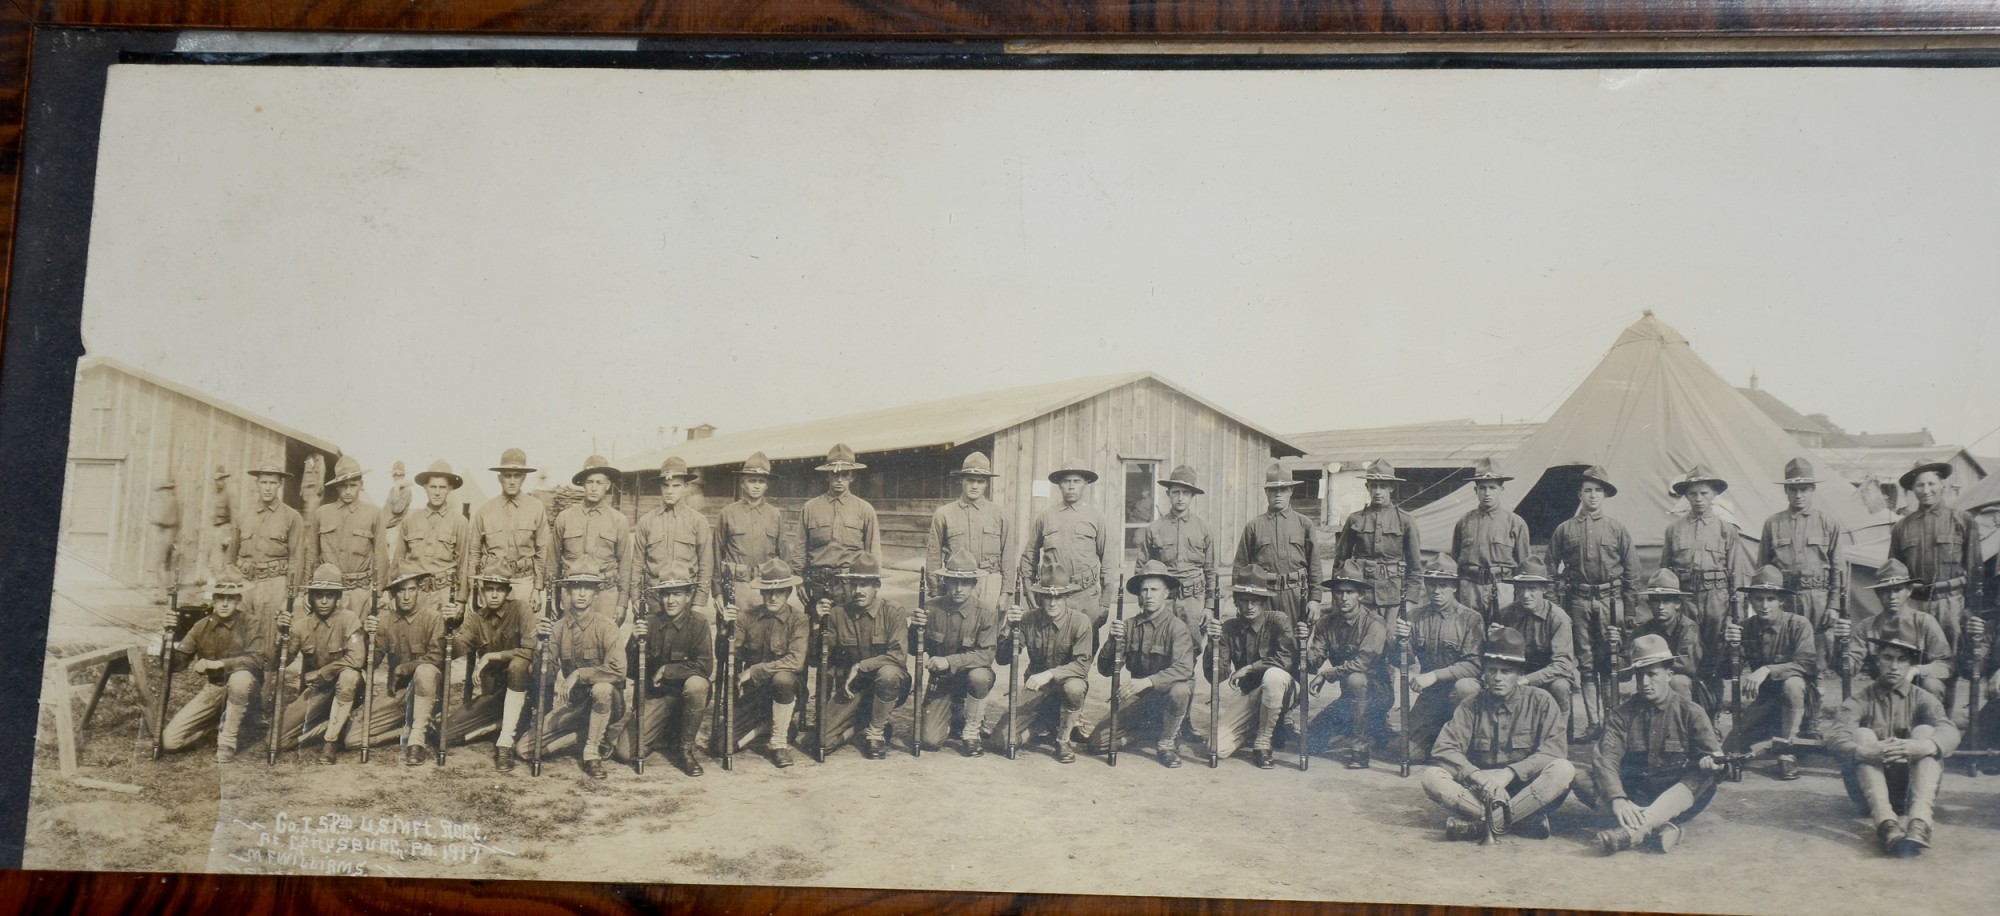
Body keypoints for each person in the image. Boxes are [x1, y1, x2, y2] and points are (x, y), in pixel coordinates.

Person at [1572, 634, 1725, 855]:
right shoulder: (1621, 714)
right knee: (1580, 777)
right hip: (1634, 796)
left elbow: (1715, 759)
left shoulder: (1691, 712)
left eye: (1652, 675)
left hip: (1675, 795)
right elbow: (1607, 759)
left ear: (1668, 675)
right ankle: (1659, 826)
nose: (1644, 683)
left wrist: (1714, 763)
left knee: (1704, 776)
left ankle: (1633, 830)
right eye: (1639, 675)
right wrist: (1618, 799)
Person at [1419, 626, 1574, 841]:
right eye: (1492, 670)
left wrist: (1509, 773)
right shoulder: (1471, 705)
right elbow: (1445, 748)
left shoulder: (1541, 701)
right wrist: (1479, 777)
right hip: (1480, 792)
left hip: (1526, 790)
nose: (1498, 678)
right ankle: (1518, 821)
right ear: (1484, 673)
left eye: (1506, 671)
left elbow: (1553, 750)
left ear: (1520, 674)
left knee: (1563, 769)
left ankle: (1480, 826)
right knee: (1431, 777)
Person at [1826, 618, 1961, 856]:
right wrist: (1863, 751)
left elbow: (1949, 730)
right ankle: (1886, 824)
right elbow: (1836, 734)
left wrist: (1923, 746)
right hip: (1868, 794)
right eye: (1888, 658)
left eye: (1902, 659)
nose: (1894, 666)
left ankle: (1920, 822)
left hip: (1913, 789)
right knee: (1862, 734)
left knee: (1927, 733)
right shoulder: (1862, 698)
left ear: (1910, 665)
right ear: (1877, 662)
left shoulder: (1921, 697)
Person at [1547, 465, 1640, 733]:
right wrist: (1555, 604)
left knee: (1610, 659)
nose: (1592, 496)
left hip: (1612, 601)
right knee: (1586, 664)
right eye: (1587, 490)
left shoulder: (1617, 529)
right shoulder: (1565, 530)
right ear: (1579, 494)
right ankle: (1594, 722)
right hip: (1579, 600)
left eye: (1598, 491)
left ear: (1605, 495)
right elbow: (1550, 565)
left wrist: (1630, 608)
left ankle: (1612, 720)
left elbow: (1633, 571)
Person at [518, 558, 627, 779]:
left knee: (602, 689)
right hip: (575, 703)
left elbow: (618, 671)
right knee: (525, 750)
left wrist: (579, 674)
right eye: (576, 587)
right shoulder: (558, 628)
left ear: (596, 594)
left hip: (608, 701)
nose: (582, 593)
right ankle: (588, 734)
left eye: (588, 588)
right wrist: (541, 645)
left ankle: (591, 753)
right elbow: (544, 676)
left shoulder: (607, 627)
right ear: (567, 592)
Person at [1662, 465, 1750, 719]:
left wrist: (1736, 615)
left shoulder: (1727, 530)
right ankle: (1688, 719)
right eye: (1693, 494)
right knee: (1687, 661)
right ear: (1686, 497)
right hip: (1686, 601)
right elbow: (1665, 575)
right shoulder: (1674, 530)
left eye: (1704, 493)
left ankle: (1710, 720)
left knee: (1714, 662)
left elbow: (1737, 575)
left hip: (1717, 602)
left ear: (1714, 496)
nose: (1698, 499)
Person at [156, 568, 268, 762]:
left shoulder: (251, 623)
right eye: (220, 597)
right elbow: (176, 664)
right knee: (169, 742)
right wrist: (167, 636)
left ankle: (227, 742)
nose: (225, 603)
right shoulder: (201, 626)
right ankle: (216, 721)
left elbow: (257, 661)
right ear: (213, 599)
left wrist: (217, 664)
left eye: (230, 598)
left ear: (238, 600)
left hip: (248, 692)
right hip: (214, 690)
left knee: (239, 678)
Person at [1095, 560, 1197, 768]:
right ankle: (1146, 734)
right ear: (1139, 595)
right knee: (1097, 743)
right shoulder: (1129, 626)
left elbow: (1184, 669)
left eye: (1154, 590)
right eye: (1144, 590)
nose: (1149, 595)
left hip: (1167, 696)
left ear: (1166, 593)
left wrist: (1148, 681)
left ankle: (1166, 744)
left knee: (1181, 690)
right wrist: (1112, 639)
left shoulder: (1177, 627)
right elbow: (1104, 670)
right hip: (1141, 698)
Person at [1758, 457, 1848, 692]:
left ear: (1812, 489)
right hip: (1784, 600)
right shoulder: (1773, 524)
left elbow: (1838, 568)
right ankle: (1786, 710)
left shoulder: (1828, 522)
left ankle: (1813, 723)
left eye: (1804, 489)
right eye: (1794, 489)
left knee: (1815, 661)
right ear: (1786, 490)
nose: (1799, 495)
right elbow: (1763, 569)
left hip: (1816, 599)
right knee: (1783, 657)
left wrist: (1833, 605)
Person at [1722, 565, 1819, 780]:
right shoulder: (1745, 627)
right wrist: (1729, 645)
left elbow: (1807, 664)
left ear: (1781, 600)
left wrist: (1766, 669)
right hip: (1766, 701)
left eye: (1770, 599)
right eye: (1758, 599)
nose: (1764, 605)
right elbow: (1726, 671)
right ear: (1751, 601)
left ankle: (1786, 752)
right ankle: (1771, 735)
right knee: (1729, 749)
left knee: (1792, 684)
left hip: (1800, 700)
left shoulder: (1798, 625)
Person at [995, 558, 1097, 763]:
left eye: (1058, 597)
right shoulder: (1028, 619)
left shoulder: (1080, 621)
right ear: (1040, 597)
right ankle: (1040, 726)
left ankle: (1062, 740)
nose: (1052, 602)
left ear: (1067, 595)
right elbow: (1003, 658)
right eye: (1047, 597)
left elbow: (1081, 666)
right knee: (1001, 741)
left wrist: (1050, 674)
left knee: (1075, 688)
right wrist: (1008, 627)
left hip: (1065, 685)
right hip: (1037, 689)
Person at [612, 574, 714, 776]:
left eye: (677, 594)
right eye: (666, 594)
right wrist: (634, 641)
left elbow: (704, 667)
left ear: (688, 596)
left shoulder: (699, 623)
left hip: (686, 696)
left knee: (697, 685)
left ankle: (685, 749)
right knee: (624, 752)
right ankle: (667, 732)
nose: (671, 600)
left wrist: (667, 671)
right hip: (657, 698)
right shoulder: (649, 622)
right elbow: (630, 670)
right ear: (659, 598)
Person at [1887, 460, 1983, 671]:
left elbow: (1976, 569)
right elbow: (1894, 572)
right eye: (1920, 485)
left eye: (1931, 484)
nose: (1926, 490)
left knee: (1949, 664)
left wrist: (1971, 609)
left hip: (1950, 604)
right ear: (1913, 489)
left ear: (1942, 485)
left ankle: (1945, 706)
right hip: (1914, 604)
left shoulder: (1962, 520)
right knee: (1912, 661)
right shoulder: (1902, 527)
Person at [818, 552, 913, 759]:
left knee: (888, 674)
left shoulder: (893, 612)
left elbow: (898, 656)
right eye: (853, 585)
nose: (858, 590)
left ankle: (876, 733)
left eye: (865, 584)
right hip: (853, 688)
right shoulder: (837, 614)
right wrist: (819, 625)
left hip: (888, 685)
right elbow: (819, 657)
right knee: (820, 742)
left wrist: (860, 666)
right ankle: (862, 724)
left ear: (877, 586)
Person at [1393, 555, 1486, 762]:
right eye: (1432, 584)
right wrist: (1401, 639)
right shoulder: (1416, 617)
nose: (1436, 591)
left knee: (1465, 688)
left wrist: (1434, 675)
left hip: (1462, 692)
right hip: (1432, 696)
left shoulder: (1470, 618)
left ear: (1454, 587)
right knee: (1405, 752)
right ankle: (1439, 742)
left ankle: (1463, 744)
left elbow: (1474, 665)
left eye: (1443, 585)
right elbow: (1404, 660)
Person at [1202, 566, 1296, 768]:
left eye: (1255, 600)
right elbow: (1216, 676)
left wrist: (1248, 668)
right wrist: (1213, 642)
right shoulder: (1229, 628)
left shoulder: (1279, 620)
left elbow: (1285, 660)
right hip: (1252, 697)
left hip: (1284, 690)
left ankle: (1263, 742)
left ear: (1264, 601)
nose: (1250, 606)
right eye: (1244, 600)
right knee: (1216, 747)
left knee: (1273, 676)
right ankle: (1255, 727)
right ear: (1236, 601)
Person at [1301, 559, 1390, 769]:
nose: (1343, 597)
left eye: (1350, 592)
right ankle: (1362, 730)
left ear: (1361, 595)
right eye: (1339, 592)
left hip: (1377, 695)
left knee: (1356, 679)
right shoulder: (1326, 623)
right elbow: (1314, 661)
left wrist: (1327, 675)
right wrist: (1303, 642)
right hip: (1349, 698)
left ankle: (1360, 749)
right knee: (1309, 742)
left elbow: (1362, 663)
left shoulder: (1374, 623)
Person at [272, 563, 364, 763]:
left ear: (338, 598)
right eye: (319, 595)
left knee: (349, 675)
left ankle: (330, 742)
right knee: (276, 740)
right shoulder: (300, 626)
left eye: (329, 596)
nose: (323, 601)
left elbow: (356, 659)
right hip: (317, 690)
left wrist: (322, 672)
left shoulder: (349, 619)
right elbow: (280, 662)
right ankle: (332, 726)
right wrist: (281, 634)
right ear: (311, 597)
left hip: (347, 689)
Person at [450, 564, 538, 771]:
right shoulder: (476, 618)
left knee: (518, 665)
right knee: (445, 734)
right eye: (489, 589)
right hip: (494, 695)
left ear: (508, 592)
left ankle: (505, 742)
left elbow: (530, 650)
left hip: (520, 689)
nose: (494, 595)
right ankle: (506, 724)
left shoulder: (521, 609)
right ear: (482, 592)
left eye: (499, 590)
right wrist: (449, 627)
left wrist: (493, 655)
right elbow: (457, 649)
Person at [725, 558, 811, 768]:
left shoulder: (798, 620)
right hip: (756, 692)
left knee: (783, 679)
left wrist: (754, 671)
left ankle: (779, 743)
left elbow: (796, 661)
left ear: (788, 592)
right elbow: (729, 655)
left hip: (787, 691)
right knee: (722, 746)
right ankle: (769, 726)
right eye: (768, 591)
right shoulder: (746, 617)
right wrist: (725, 629)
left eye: (779, 591)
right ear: (761, 592)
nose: (773, 597)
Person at [360, 565, 448, 766]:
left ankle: (416, 740)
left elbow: (437, 658)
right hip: (398, 695)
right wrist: (368, 635)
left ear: (419, 590)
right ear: (393, 594)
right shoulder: (385, 622)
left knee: (425, 670)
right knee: (353, 739)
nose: (407, 596)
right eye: (401, 590)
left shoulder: (432, 618)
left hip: (427, 695)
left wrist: (407, 667)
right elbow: (368, 663)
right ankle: (413, 729)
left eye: (412, 590)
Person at [914, 549, 999, 756]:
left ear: (974, 584)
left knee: (979, 676)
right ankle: (956, 715)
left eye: (966, 583)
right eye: (953, 582)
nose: (959, 589)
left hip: (970, 679)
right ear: (946, 582)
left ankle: (971, 731)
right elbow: (911, 649)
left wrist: (949, 661)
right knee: (930, 741)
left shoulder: (986, 612)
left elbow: (986, 655)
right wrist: (914, 628)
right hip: (942, 682)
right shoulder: (931, 608)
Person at [1020, 458, 1114, 639]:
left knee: (1085, 650)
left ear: (1085, 484)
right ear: (1059, 485)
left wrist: (1105, 603)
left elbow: (1108, 561)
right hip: (1053, 596)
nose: (1071, 486)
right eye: (1066, 481)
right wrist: (1029, 590)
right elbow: (1028, 556)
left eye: (1076, 481)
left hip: (1085, 596)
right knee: (1050, 646)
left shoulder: (1096, 517)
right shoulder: (1046, 517)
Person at [1836, 560, 1954, 702]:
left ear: (1909, 590)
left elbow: (1945, 664)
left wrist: (1916, 670)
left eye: (1897, 590)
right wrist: (1839, 641)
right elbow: (1848, 668)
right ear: (1878, 593)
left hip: (1918, 689)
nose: (1892, 596)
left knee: (1932, 685)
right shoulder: (1867, 627)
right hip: (1883, 690)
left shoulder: (1924, 622)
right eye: (1886, 591)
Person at [1490, 559, 1578, 732]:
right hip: (1516, 674)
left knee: (1560, 687)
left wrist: (1526, 680)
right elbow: (1495, 658)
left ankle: (1558, 735)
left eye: (1532, 589)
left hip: (1549, 676)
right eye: (1521, 588)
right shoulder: (1505, 614)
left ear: (1544, 590)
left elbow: (1562, 664)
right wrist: (1494, 639)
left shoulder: (1558, 618)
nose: (1525, 594)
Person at [1332, 459, 1421, 629]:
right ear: (1367, 487)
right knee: (1361, 640)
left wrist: (1410, 601)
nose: (1377, 491)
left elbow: (1415, 568)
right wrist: (1338, 598)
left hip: (1393, 597)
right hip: (1361, 596)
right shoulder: (1355, 519)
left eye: (1383, 486)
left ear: (1391, 488)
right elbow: (1340, 562)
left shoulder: (1405, 521)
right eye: (1374, 486)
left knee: (1390, 641)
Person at [927, 451, 1016, 613]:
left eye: (980, 481)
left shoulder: (1000, 514)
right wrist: (935, 591)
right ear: (962, 480)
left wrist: (1005, 593)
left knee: (989, 632)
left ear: (986, 484)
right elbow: (933, 555)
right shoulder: (944, 514)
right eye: (970, 480)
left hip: (990, 583)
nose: (975, 486)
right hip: (956, 584)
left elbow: (1008, 556)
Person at [469, 448, 551, 617]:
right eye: (507, 475)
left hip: (524, 583)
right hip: (493, 584)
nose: (512, 481)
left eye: (517, 475)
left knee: (526, 634)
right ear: (500, 478)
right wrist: (474, 588)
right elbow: (474, 552)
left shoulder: (536, 508)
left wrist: (537, 588)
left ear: (524, 477)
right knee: (491, 637)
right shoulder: (485, 510)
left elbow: (542, 551)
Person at [306, 455, 390, 617]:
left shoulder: (373, 513)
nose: (348, 491)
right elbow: (312, 555)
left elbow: (381, 556)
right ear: (337, 487)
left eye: (353, 485)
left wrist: (377, 594)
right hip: (328, 593)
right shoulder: (322, 513)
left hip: (360, 593)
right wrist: (308, 590)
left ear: (361, 485)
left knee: (357, 638)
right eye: (343, 486)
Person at [1451, 458, 1533, 623]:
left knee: (1501, 635)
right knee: (1469, 632)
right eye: (1482, 488)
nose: (1487, 493)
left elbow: (1524, 565)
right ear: (1476, 490)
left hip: (1502, 587)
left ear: (1501, 489)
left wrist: (1519, 596)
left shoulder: (1515, 523)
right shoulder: (1465, 522)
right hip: (1470, 588)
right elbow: (1455, 561)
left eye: (1492, 488)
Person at [1141, 465, 1217, 638]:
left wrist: (1209, 606)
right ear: (1168, 494)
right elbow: (1142, 567)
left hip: (1194, 601)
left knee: (1192, 648)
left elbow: (1211, 570)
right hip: (1163, 600)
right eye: (1176, 492)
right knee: (1158, 646)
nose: (1180, 498)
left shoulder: (1203, 528)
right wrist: (1144, 601)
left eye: (1186, 492)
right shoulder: (1155, 528)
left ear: (1192, 496)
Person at [713, 451, 796, 609]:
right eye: (752, 481)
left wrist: (783, 591)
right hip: (735, 588)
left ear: (766, 485)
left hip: (765, 587)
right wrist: (717, 591)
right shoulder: (728, 513)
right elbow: (716, 554)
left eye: (761, 481)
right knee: (733, 631)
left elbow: (785, 556)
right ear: (742, 483)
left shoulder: (774, 515)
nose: (757, 485)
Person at [556, 455, 634, 622]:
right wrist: (554, 598)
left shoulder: (618, 520)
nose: (593, 488)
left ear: (608, 485)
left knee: (602, 643)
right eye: (590, 482)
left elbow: (625, 565)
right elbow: (553, 562)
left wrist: (622, 603)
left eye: (599, 483)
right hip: (572, 593)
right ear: (583, 484)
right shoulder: (565, 518)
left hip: (605, 594)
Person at [801, 443, 880, 603]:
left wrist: (871, 584)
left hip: (849, 583)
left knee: (848, 627)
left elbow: (873, 551)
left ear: (852, 477)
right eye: (835, 475)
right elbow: (800, 547)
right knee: (817, 626)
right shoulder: (810, 507)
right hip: (817, 582)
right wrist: (798, 580)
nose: (839, 480)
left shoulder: (864, 509)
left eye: (845, 475)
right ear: (827, 476)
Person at [634, 456, 711, 621]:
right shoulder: (646, 521)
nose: (669, 491)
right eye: (665, 486)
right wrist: (635, 598)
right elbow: (637, 564)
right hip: (654, 599)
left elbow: (706, 565)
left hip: (686, 599)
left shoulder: (698, 521)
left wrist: (699, 602)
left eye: (676, 486)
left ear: (686, 487)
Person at [233, 458, 307, 630]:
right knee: (239, 636)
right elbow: (230, 556)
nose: (267, 487)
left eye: (272, 483)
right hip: (244, 586)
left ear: (280, 484)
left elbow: (297, 560)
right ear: (256, 484)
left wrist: (288, 599)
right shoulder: (243, 515)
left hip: (274, 585)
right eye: (264, 482)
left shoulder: (292, 517)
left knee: (270, 638)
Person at [394, 460, 470, 618]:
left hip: (445, 594)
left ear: (449, 489)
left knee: (443, 639)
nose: (437, 492)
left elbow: (464, 563)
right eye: (433, 487)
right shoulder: (410, 520)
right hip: (416, 595)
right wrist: (393, 594)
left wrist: (461, 601)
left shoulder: (459, 522)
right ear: (425, 488)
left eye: (442, 487)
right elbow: (398, 561)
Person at [1628, 569, 1704, 702]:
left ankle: (1681, 719)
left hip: (1687, 685)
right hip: (1654, 679)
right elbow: (1626, 661)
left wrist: (1651, 667)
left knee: (1677, 681)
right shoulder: (1644, 629)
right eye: (1656, 601)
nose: (1661, 607)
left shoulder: (1688, 627)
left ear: (1677, 604)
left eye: (1667, 601)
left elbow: (1687, 665)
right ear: (1649, 604)